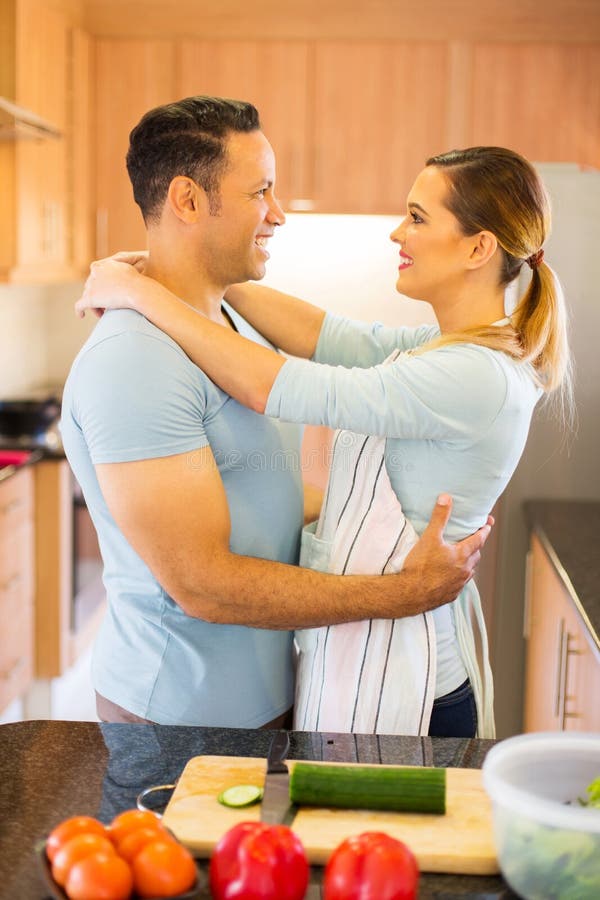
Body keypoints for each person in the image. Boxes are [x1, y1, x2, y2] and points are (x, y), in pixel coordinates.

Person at [77, 145, 571, 739]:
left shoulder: (471, 375)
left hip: (406, 684)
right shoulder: (447, 350)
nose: (398, 232)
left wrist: (145, 294)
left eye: (417, 217)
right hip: (371, 663)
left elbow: (273, 384)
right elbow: (322, 333)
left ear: (478, 248)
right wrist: (187, 277)